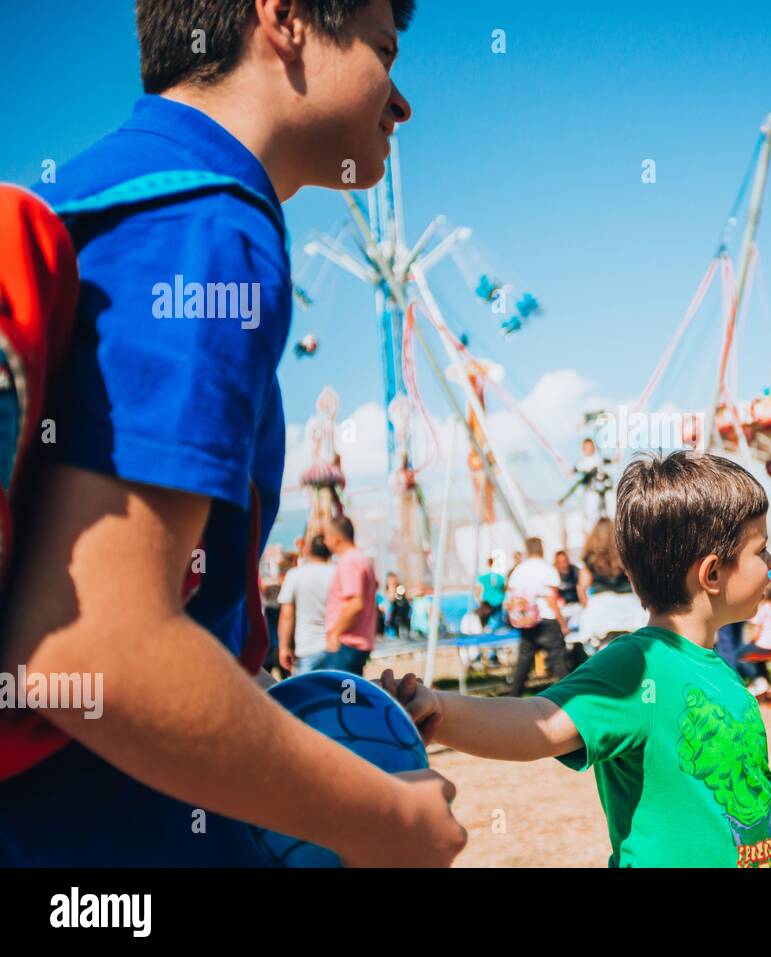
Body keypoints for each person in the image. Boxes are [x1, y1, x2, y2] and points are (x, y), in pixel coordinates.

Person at [0, 0, 464, 867]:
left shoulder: (96, 196)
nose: (400, 103)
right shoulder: (210, 222)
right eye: (384, 49)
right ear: (283, 18)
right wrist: (390, 820)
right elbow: (92, 647)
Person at [381, 450, 771, 867]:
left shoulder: (716, 665)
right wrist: (440, 708)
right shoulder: (639, 663)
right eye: (761, 550)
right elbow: (538, 723)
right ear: (712, 574)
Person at [504, 537, 569, 696]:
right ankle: (569, 696)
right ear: (541, 549)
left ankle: (514, 696)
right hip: (547, 619)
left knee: (524, 663)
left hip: (526, 621)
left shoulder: (519, 570)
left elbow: (510, 597)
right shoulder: (547, 569)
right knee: (559, 661)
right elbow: (552, 599)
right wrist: (562, 622)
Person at [575, 517, 646, 646]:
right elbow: (634, 578)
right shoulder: (624, 553)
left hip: (601, 604)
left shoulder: (589, 557)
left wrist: (587, 607)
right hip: (627, 604)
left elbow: (582, 586)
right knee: (632, 646)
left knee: (604, 650)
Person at [322, 516, 379, 676]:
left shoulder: (349, 561)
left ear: (336, 538)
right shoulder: (361, 559)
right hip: (357, 641)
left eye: (326, 536)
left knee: (344, 696)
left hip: (348, 643)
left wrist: (335, 633)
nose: (325, 541)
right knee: (349, 694)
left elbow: (355, 603)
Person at [278, 536, 336, 674]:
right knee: (340, 693)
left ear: (308, 550)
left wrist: (284, 647)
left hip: (306, 648)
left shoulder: (295, 575)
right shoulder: (338, 573)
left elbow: (287, 614)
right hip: (336, 647)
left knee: (309, 694)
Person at [736, 580, 771, 697]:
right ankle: (767, 682)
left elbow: (756, 632)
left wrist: (751, 640)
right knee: (756, 656)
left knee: (739, 654)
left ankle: (759, 679)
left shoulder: (763, 607)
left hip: (767, 645)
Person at [475, 555, 506, 628]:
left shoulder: (482, 577)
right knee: (496, 619)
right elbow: (504, 589)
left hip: (487, 602)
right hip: (498, 601)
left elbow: (478, 590)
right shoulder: (500, 577)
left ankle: (486, 628)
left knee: (486, 620)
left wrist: (478, 600)